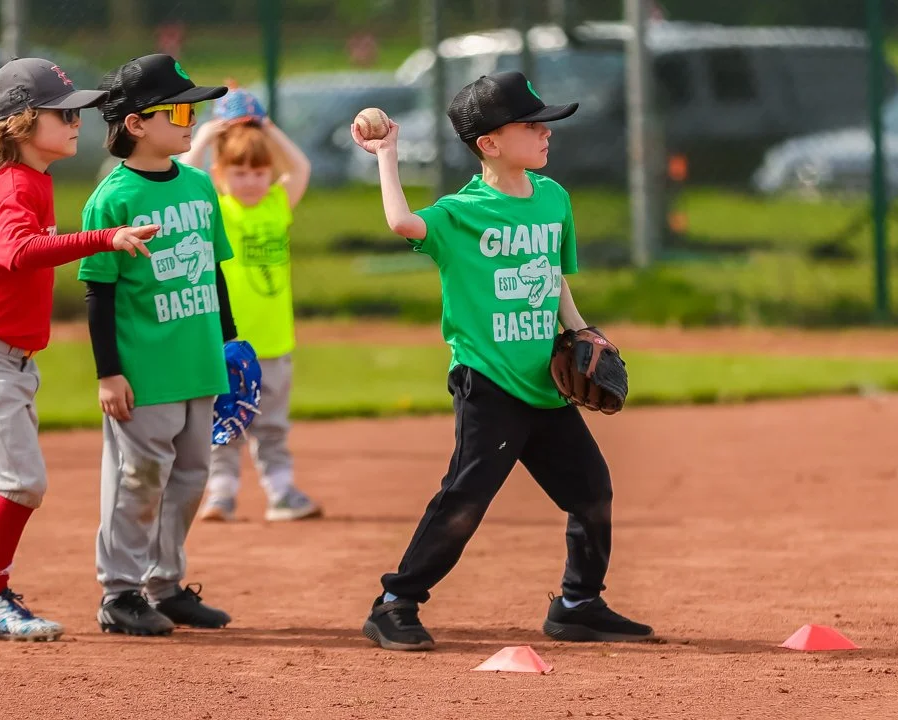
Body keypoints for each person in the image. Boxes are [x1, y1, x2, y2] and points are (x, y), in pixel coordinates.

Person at [351, 71, 654, 650]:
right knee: (464, 501)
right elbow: (400, 223)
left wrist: (583, 330)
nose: (545, 134)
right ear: (488, 142)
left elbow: (552, 277)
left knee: (592, 491)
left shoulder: (553, 199)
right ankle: (395, 603)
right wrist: (387, 154)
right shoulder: (462, 213)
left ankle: (578, 603)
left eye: (545, 124)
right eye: (531, 125)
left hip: (545, 384)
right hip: (488, 382)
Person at [0, 57, 159, 641]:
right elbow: (18, 252)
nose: (77, 121)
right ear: (21, 124)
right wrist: (105, 237)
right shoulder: (19, 185)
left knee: (3, 478)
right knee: (22, 483)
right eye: (63, 113)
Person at [78, 53, 235, 637]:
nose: (191, 117)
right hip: (143, 371)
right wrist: (108, 372)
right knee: (139, 479)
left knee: (192, 476)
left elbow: (215, 273)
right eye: (178, 109)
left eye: (194, 107)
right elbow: (99, 293)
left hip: (198, 362)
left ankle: (163, 584)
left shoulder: (198, 184)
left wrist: (232, 342)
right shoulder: (112, 199)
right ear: (137, 124)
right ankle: (119, 592)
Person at [178, 87, 322, 523]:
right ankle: (221, 493)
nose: (252, 181)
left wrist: (268, 130)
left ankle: (281, 492)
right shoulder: (217, 207)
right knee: (224, 421)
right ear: (220, 174)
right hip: (229, 340)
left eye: (260, 172)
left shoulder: (277, 203)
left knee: (273, 425)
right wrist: (205, 138)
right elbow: (187, 175)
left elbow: (301, 166)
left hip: (275, 340)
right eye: (239, 172)